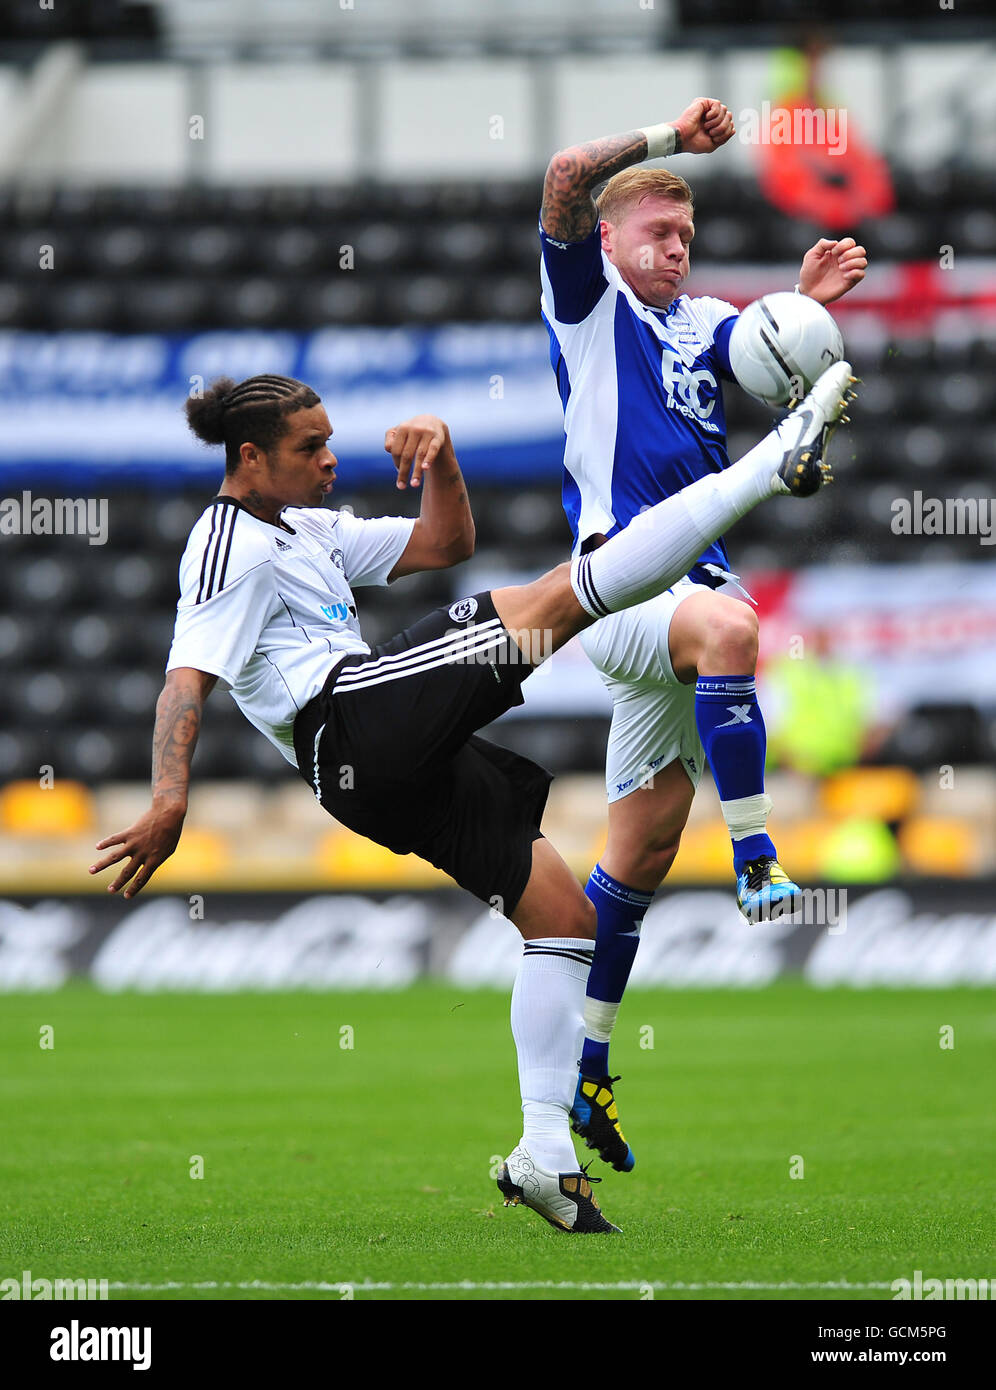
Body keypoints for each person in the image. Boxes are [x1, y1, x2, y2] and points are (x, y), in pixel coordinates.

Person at [88, 364, 855, 1233]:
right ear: (251, 458)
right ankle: (767, 466)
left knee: (565, 918)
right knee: (567, 593)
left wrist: (444, 457)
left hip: (383, 766)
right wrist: (168, 800)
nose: (331, 458)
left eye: (332, 439)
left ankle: (542, 1155)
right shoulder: (222, 542)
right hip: (352, 721)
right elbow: (184, 682)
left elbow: (443, 545)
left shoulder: (305, 525)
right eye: (312, 447)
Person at [539, 97, 868, 1172]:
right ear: (609, 239)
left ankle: (585, 1075)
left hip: (685, 605)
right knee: (734, 625)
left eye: (687, 236)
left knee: (634, 857)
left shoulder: (699, 319)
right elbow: (561, 173)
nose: (677, 251)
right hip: (624, 594)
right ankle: (761, 859)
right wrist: (670, 141)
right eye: (658, 235)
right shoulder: (588, 307)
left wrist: (800, 310)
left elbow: (759, 346)